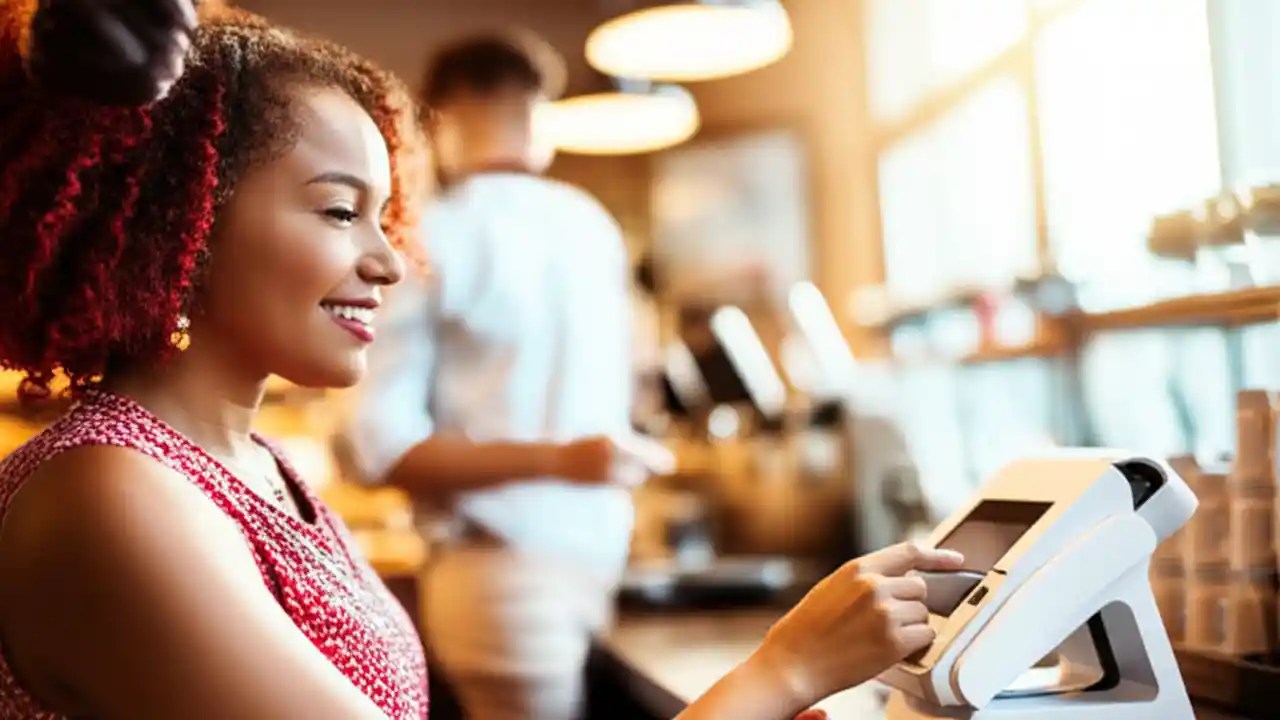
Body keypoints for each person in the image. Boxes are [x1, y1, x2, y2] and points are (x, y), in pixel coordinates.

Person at [0, 2, 964, 718]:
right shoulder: (109, 496)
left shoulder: (252, 465)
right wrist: (781, 672)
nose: (389, 262)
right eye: (339, 211)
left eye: (383, 216)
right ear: (186, 225)